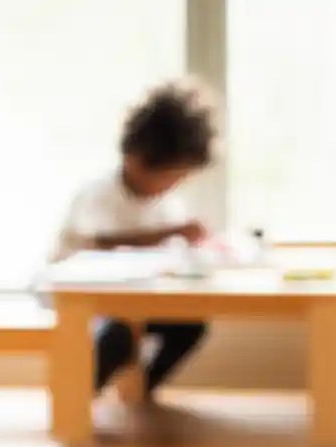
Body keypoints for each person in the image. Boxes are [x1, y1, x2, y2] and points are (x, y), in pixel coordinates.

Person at [48, 82, 217, 403]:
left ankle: (139, 392)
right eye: (169, 176)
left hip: (132, 301)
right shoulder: (99, 194)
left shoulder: (165, 204)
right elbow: (102, 244)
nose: (172, 185)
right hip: (80, 299)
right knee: (118, 334)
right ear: (135, 159)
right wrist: (170, 233)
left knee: (190, 325)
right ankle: (75, 402)